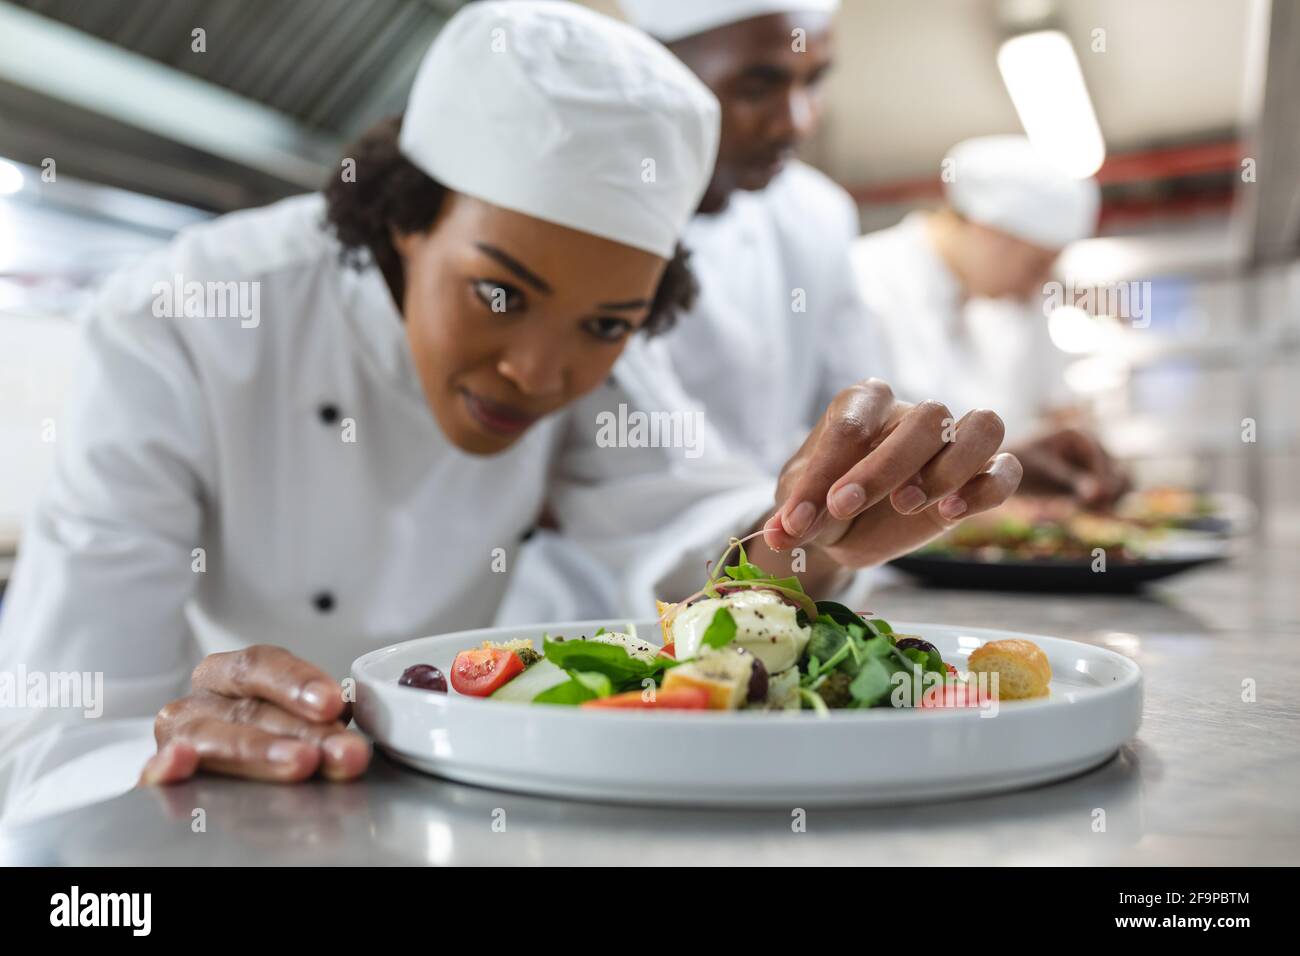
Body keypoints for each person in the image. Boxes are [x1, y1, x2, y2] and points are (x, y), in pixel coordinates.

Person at [0, 1, 1020, 820]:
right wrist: (163, 752)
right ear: (404, 216)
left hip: (446, 795)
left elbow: (697, 547)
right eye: (498, 294)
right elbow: (50, 731)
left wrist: (818, 532)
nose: (542, 371)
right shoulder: (181, 320)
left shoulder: (590, 354)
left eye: (607, 322)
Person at [494, 0, 887, 623]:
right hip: (589, 601)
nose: (797, 120)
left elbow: (856, 402)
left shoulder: (818, 214)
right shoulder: (588, 219)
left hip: (785, 575)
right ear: (662, 72)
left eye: (814, 82)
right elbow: (631, 478)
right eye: (758, 86)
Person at [851, 135, 1127, 505]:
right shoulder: (863, 280)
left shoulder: (1010, 307)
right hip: (883, 556)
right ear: (989, 230)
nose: (1037, 287)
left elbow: (1053, 412)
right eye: (1036, 265)